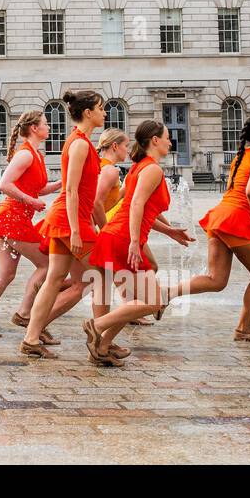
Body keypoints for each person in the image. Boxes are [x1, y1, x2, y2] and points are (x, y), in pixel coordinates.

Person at [83, 120, 193, 366]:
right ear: (154, 140)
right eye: (166, 137)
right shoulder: (151, 169)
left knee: (135, 300)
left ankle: (100, 346)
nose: (170, 141)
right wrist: (134, 242)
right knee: (151, 302)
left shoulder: (139, 167)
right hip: (123, 239)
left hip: (117, 235)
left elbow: (141, 212)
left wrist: (169, 231)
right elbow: (135, 206)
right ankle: (96, 326)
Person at [171, 114, 250, 341]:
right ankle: (243, 328)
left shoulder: (242, 156)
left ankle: (166, 293)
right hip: (234, 219)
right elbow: (249, 192)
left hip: (221, 216)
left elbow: (236, 194)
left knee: (216, 280)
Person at [23, 91, 106, 357]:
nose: (105, 113)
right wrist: (77, 231)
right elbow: (70, 190)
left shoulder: (81, 142)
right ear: (88, 113)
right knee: (102, 276)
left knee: (55, 279)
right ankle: (102, 339)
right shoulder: (80, 144)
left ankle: (31, 338)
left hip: (66, 219)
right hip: (70, 221)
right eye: (101, 109)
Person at [0, 111, 61, 338]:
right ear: (34, 129)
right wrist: (30, 201)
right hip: (12, 217)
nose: (48, 127)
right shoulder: (26, 155)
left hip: (12, 218)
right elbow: (4, 184)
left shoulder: (36, 155)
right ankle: (24, 313)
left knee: (6, 273)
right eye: (45, 124)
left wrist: (61, 182)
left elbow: (36, 188)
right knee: (47, 264)